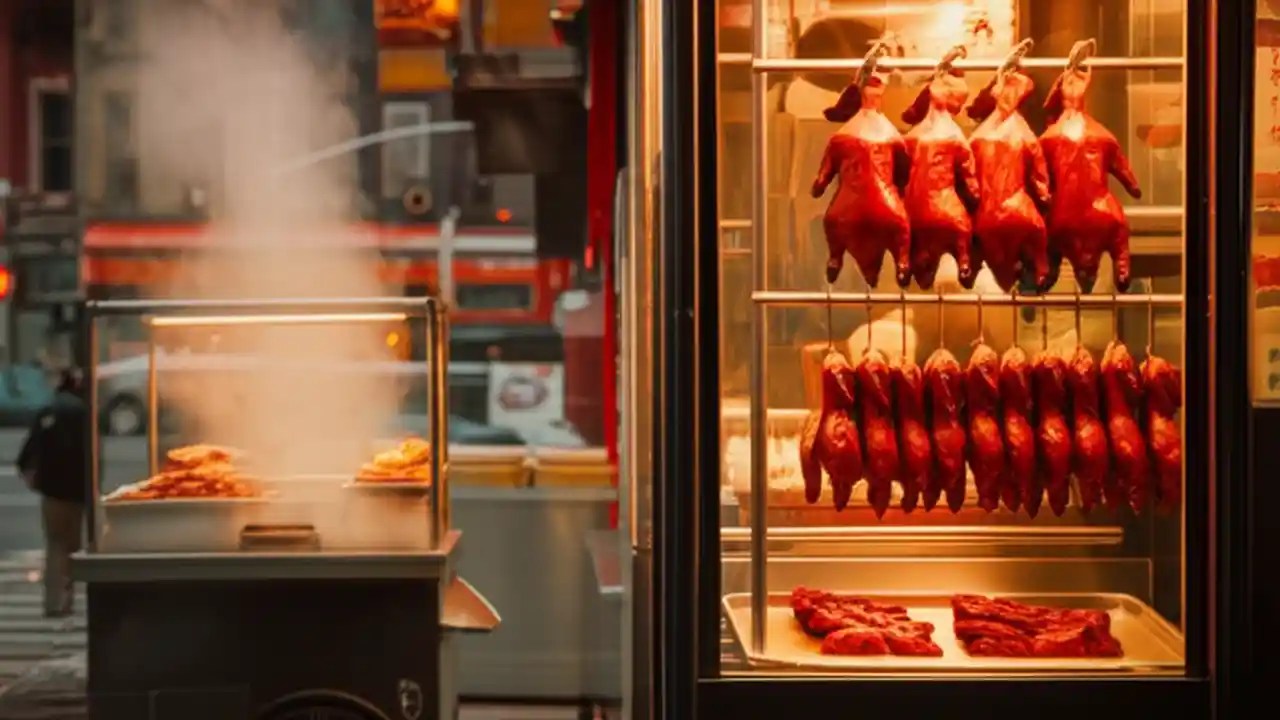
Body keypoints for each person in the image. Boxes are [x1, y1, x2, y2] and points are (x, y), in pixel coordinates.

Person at [17, 368, 88, 618]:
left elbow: (28, 451)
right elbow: (92, 456)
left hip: (52, 493)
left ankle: (53, 601)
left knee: (55, 545)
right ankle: (68, 598)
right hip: (77, 492)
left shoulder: (48, 410)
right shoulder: (83, 412)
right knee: (73, 546)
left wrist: (33, 477)